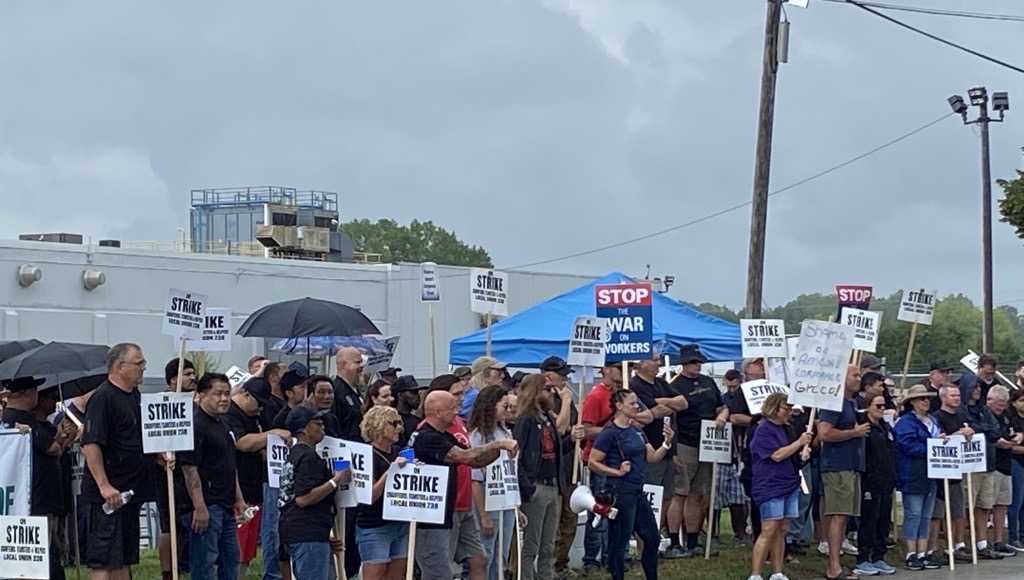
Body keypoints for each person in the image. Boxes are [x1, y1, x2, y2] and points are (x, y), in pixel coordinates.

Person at [410, 389, 518, 580]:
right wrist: (497, 445)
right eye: (452, 408)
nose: (457, 411)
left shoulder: (445, 435)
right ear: (437, 412)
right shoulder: (426, 436)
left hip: (456, 507)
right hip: (432, 517)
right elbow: (462, 456)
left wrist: (498, 453)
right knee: (439, 572)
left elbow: (474, 461)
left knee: (479, 559)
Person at [80, 343, 157, 580]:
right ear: (120, 366)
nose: (143, 368)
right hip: (108, 495)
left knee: (124, 558)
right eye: (139, 363)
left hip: (130, 492)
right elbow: (91, 444)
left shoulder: (134, 396)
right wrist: (104, 485)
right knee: (104, 560)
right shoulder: (103, 398)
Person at [589, 389, 674, 580]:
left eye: (637, 403)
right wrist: (616, 472)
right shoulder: (610, 433)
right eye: (632, 403)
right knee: (619, 541)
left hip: (637, 490)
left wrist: (666, 443)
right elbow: (593, 462)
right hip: (620, 491)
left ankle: (651, 576)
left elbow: (652, 457)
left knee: (652, 537)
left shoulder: (636, 429)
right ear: (619, 406)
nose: (636, 406)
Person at [1, 376, 77, 580]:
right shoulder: (25, 420)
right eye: (36, 390)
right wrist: (60, 436)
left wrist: (62, 439)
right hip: (39, 498)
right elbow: (51, 448)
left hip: (20, 497)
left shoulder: (7, 418)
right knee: (44, 552)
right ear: (26, 393)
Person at [178, 373, 245, 580]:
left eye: (227, 394)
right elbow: (190, 469)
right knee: (205, 563)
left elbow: (229, 465)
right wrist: (199, 507)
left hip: (226, 505)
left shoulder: (223, 424)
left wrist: (239, 498)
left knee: (231, 559)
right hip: (206, 505)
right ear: (201, 395)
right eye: (217, 394)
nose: (224, 399)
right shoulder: (196, 425)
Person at [222, 375, 290, 580]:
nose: (260, 409)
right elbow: (242, 442)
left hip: (255, 486)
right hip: (237, 488)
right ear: (245, 394)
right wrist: (272, 435)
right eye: (258, 403)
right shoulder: (230, 414)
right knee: (237, 546)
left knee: (249, 546)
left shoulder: (255, 417)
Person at [667, 345, 727, 558]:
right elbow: (670, 416)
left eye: (699, 362)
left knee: (698, 494)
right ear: (684, 363)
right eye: (693, 362)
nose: (697, 365)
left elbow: (722, 406)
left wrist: (721, 417)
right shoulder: (674, 385)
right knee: (679, 493)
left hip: (708, 443)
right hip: (685, 442)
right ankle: (674, 540)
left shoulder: (709, 382)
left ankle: (692, 540)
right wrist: (671, 447)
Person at [279, 406, 351, 580]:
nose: (322, 427)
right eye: (317, 423)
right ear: (303, 429)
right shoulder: (308, 457)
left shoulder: (294, 454)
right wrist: (336, 480)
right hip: (307, 533)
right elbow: (303, 499)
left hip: (296, 530)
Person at [747, 393, 811, 580]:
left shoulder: (787, 428)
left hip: (789, 482)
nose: (789, 412)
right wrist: (799, 443)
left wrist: (802, 454)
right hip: (770, 484)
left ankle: (777, 571)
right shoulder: (763, 429)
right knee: (769, 528)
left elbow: (789, 454)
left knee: (782, 528)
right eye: (786, 408)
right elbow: (776, 455)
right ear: (774, 408)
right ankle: (756, 573)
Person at [514, 374, 567, 580]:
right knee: (531, 545)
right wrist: (527, 487)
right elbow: (517, 454)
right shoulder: (526, 420)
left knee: (548, 544)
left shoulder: (547, 418)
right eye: (546, 388)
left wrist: (571, 438)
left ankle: (546, 576)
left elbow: (556, 450)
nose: (551, 392)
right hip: (536, 485)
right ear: (535, 392)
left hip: (552, 484)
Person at [540, 356, 589, 577]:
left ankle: (561, 563)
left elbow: (571, 431)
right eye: (563, 375)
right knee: (553, 523)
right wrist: (567, 402)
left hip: (570, 465)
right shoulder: (544, 399)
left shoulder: (565, 396)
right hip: (552, 469)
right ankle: (548, 566)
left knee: (570, 519)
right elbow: (559, 431)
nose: (566, 379)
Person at [818, 365, 868, 580]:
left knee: (845, 515)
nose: (859, 378)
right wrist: (854, 432)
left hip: (852, 464)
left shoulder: (852, 402)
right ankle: (833, 567)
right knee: (837, 515)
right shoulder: (833, 402)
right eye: (855, 375)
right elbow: (824, 433)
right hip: (837, 466)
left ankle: (837, 563)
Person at [631, 354, 688, 536]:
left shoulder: (661, 383)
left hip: (668, 447)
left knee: (667, 496)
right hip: (649, 448)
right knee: (651, 495)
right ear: (641, 363)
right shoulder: (635, 386)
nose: (659, 363)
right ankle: (645, 536)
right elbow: (650, 412)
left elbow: (683, 402)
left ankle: (655, 533)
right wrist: (663, 406)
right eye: (654, 360)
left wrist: (661, 402)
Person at [468, 385, 517, 580]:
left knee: (501, 555)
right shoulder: (478, 436)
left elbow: (510, 474)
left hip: (506, 500)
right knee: (485, 555)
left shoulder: (505, 432)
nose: (508, 411)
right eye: (504, 406)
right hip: (488, 500)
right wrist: (484, 514)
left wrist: (516, 507)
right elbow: (475, 478)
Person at [357, 406, 410, 580]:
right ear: (379, 425)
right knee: (375, 574)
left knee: (397, 574)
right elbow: (369, 496)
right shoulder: (367, 455)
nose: (399, 428)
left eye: (400, 423)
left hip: (399, 522)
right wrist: (390, 472)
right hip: (374, 525)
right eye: (394, 424)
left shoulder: (398, 451)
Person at [893, 385, 941, 570]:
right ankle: (911, 553)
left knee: (926, 515)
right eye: (922, 398)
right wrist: (934, 448)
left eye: (927, 398)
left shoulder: (933, 420)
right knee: (913, 514)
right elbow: (906, 445)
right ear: (912, 402)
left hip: (932, 473)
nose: (926, 401)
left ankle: (923, 552)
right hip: (912, 472)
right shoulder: (905, 422)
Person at [155, 357, 195, 580]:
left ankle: (182, 564)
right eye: (187, 374)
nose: (192, 378)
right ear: (172, 380)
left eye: (193, 374)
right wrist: (160, 456)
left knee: (182, 524)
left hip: (188, 470)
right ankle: (168, 572)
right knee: (168, 525)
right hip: (166, 471)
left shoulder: (196, 403)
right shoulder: (161, 402)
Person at [969, 385, 1016, 558]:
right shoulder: (984, 415)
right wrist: (999, 441)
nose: (1002, 408)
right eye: (999, 404)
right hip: (991, 464)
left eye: (1004, 404)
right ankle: (982, 540)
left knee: (1002, 504)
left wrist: (1017, 437)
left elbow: (1009, 433)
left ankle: (999, 540)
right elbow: (988, 436)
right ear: (990, 401)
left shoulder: (1005, 416)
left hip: (1005, 465)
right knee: (986, 504)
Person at [931, 384, 976, 562]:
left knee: (958, 510)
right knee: (938, 512)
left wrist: (971, 432)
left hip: (958, 470)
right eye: (952, 395)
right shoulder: (937, 417)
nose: (957, 398)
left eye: (958, 395)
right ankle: (934, 548)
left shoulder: (962, 415)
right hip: (942, 470)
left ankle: (959, 545)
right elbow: (939, 440)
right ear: (943, 397)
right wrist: (958, 434)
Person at [854, 394, 898, 575]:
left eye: (884, 406)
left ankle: (879, 556)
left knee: (883, 520)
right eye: (878, 406)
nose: (882, 409)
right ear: (868, 407)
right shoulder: (864, 427)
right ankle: (864, 557)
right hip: (870, 480)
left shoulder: (885, 427)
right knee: (869, 520)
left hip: (886, 479)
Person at [716, 368, 750, 546]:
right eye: (728, 386)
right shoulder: (724, 398)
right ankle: (714, 534)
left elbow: (740, 418)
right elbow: (728, 414)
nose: (731, 390)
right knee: (716, 495)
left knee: (739, 496)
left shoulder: (748, 397)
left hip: (741, 451)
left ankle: (740, 532)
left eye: (734, 386)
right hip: (724, 450)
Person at [333, 346, 366, 442]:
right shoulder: (336, 392)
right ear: (343, 365)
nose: (362, 366)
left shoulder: (356, 391)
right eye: (357, 362)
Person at [1006, 389, 1024, 550]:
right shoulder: (1012, 421)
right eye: (1021, 400)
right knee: (1016, 501)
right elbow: (1011, 447)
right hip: (1016, 462)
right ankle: (1013, 537)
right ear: (1014, 402)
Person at [393, 375, 426, 449]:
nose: (417, 396)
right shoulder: (393, 419)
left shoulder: (416, 419)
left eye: (417, 392)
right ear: (400, 395)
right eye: (413, 392)